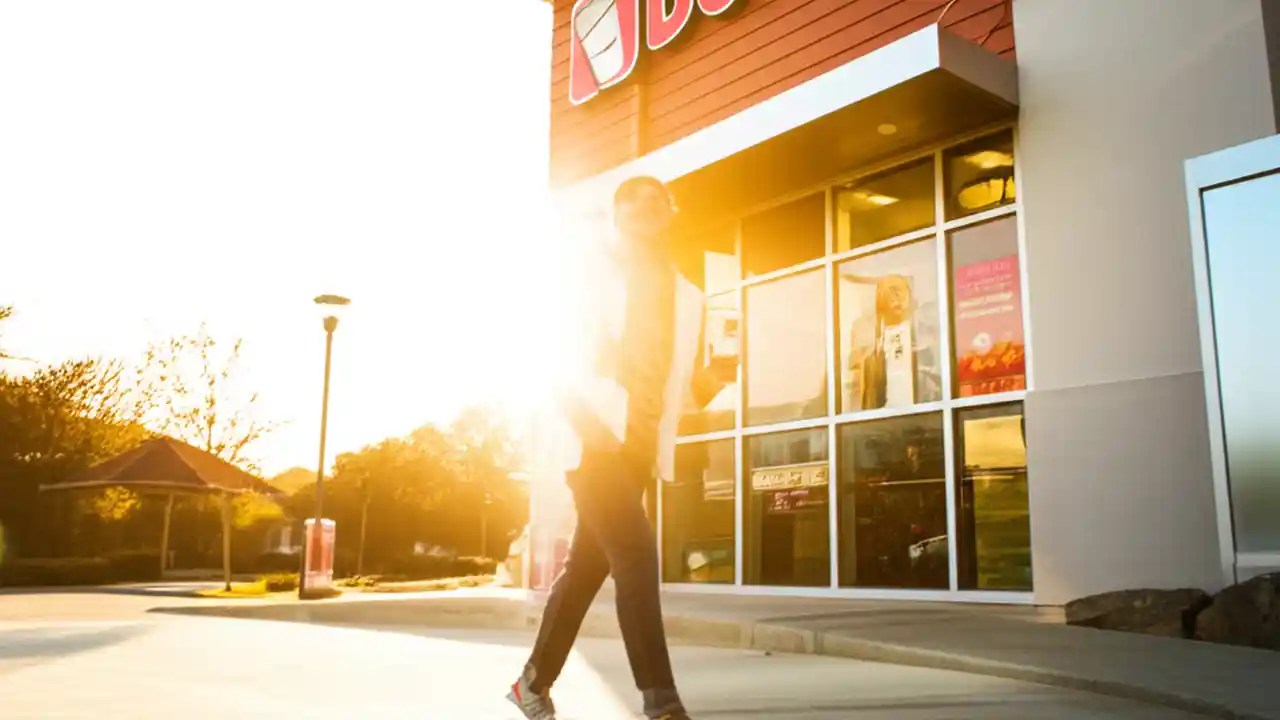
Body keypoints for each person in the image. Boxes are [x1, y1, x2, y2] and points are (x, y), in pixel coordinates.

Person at [507, 176, 733, 720]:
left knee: (587, 568)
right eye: (635, 200)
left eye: (658, 201)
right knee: (634, 557)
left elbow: (678, 392)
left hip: (636, 452)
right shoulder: (590, 276)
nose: (648, 207)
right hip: (593, 444)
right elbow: (553, 360)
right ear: (617, 214)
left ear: (669, 214)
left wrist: (716, 377)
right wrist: (589, 426)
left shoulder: (687, 296)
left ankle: (531, 684)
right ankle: (662, 700)